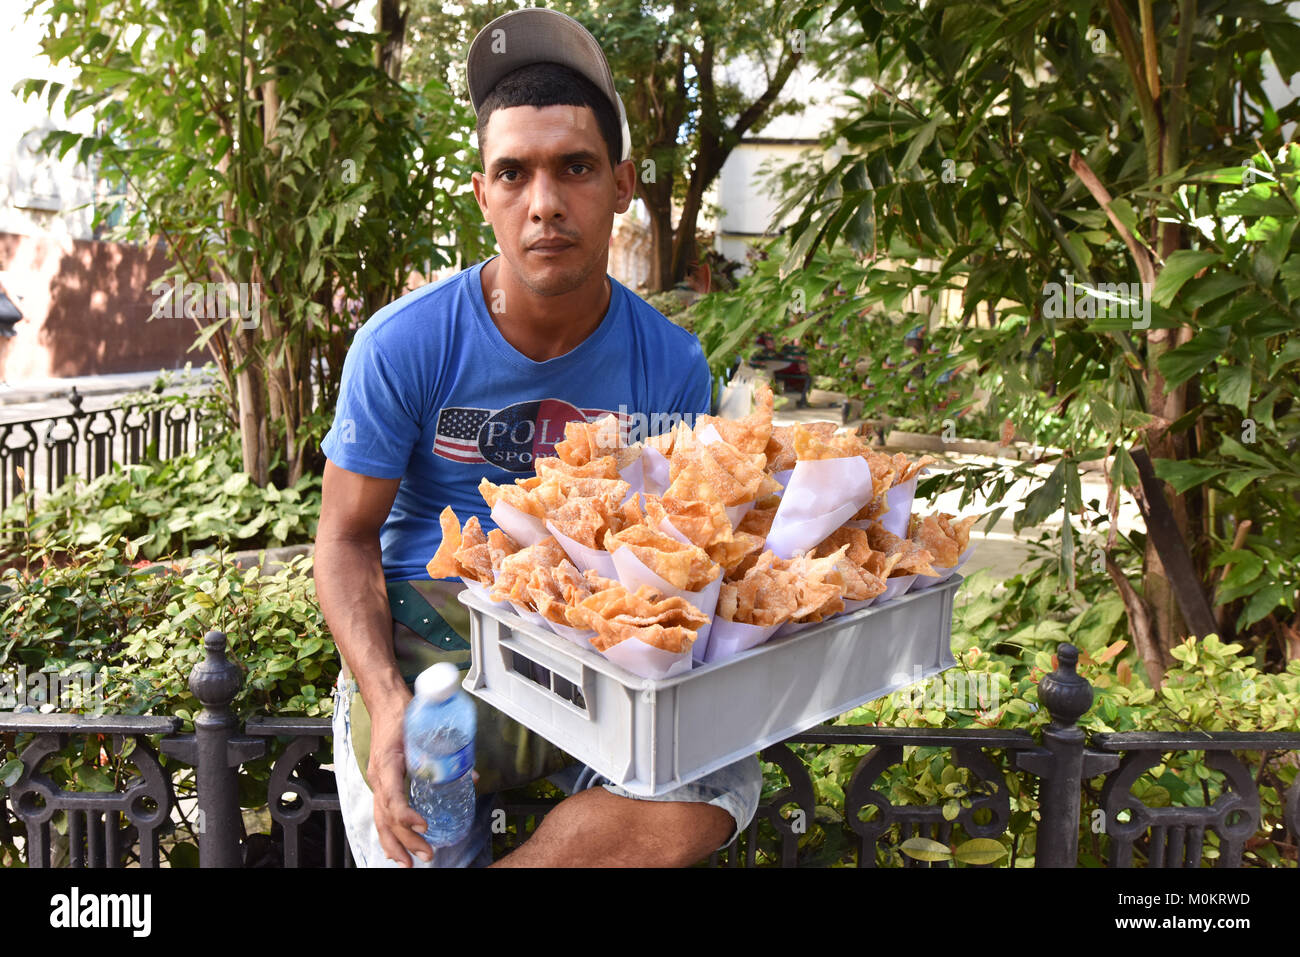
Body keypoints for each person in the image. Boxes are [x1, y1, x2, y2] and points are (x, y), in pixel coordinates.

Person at [314, 7, 762, 869]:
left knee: (710, 797)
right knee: (415, 824)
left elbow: (676, 560)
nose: (544, 204)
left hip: (597, 653)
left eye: (576, 168)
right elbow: (342, 536)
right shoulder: (403, 344)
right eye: (513, 173)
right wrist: (384, 698)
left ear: (623, 185)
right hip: (432, 654)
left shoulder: (670, 364)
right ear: (484, 192)